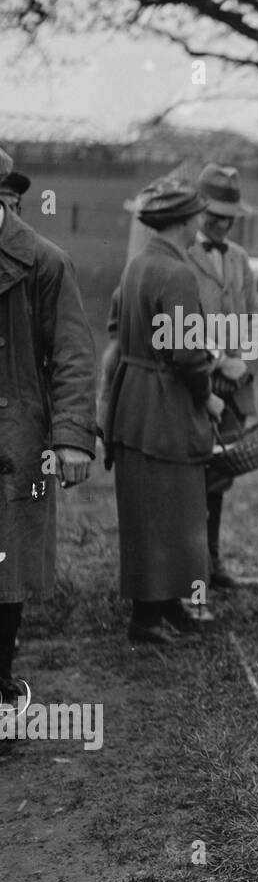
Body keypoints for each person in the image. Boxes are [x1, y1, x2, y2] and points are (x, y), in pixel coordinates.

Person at [0, 144, 97, 716]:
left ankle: (3, 685)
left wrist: (71, 438)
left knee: (6, 564)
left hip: (16, 438)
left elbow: (72, 356)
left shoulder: (43, 261)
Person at [101, 178, 219, 645]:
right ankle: (147, 619)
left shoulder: (138, 265)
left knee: (151, 510)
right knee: (171, 510)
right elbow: (188, 355)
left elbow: (116, 328)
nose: (200, 223)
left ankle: (163, 606)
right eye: (196, 215)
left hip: (134, 403)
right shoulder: (177, 274)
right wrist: (208, 396)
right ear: (181, 222)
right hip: (165, 407)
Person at [187, 163, 258, 593]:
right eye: (213, 215)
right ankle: (189, 567)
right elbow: (174, 323)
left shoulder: (237, 259)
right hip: (192, 386)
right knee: (189, 480)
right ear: (197, 210)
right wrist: (215, 363)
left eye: (229, 217)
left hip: (231, 392)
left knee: (219, 478)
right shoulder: (181, 256)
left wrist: (243, 368)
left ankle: (212, 562)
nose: (221, 223)